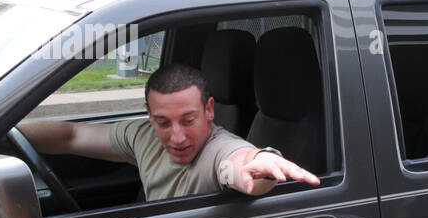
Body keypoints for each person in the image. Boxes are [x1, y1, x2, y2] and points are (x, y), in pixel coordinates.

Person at [20, 64, 319, 202]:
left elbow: (237, 163)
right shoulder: (142, 136)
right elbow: (70, 136)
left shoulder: (218, 148)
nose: (177, 137)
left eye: (189, 120)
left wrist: (260, 163)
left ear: (209, 110)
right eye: (163, 122)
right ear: (149, 115)